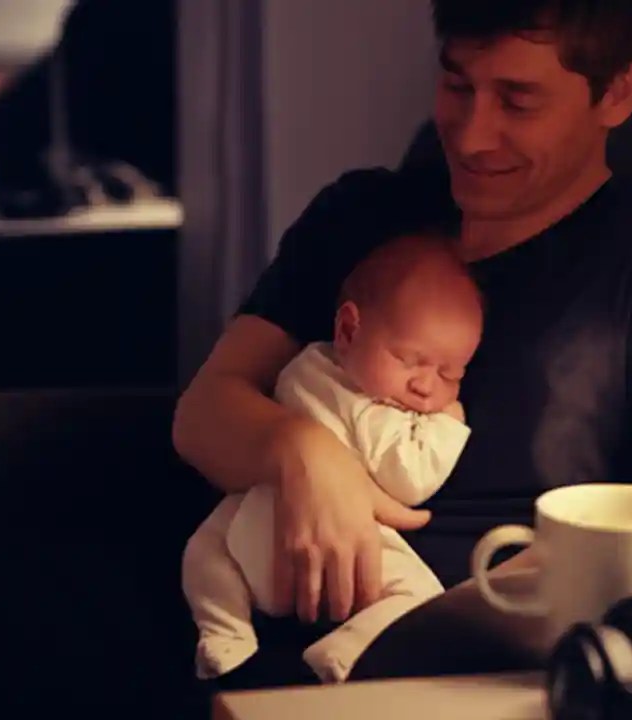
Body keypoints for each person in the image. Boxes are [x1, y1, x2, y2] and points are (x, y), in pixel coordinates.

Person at [173, 0, 632, 685]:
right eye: (457, 85)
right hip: (223, 602)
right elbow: (205, 411)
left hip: (414, 663)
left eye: (518, 101)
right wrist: (301, 452)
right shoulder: (362, 214)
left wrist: (522, 575)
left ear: (619, 91)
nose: (472, 134)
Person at [182, 234, 483, 684]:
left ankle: (225, 631)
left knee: (204, 551)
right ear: (347, 329)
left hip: (251, 526)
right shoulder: (378, 414)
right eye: (409, 360)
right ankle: (345, 650)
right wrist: (447, 421)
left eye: (449, 374)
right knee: (422, 599)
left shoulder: (306, 366)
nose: (425, 387)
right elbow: (410, 482)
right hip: (348, 561)